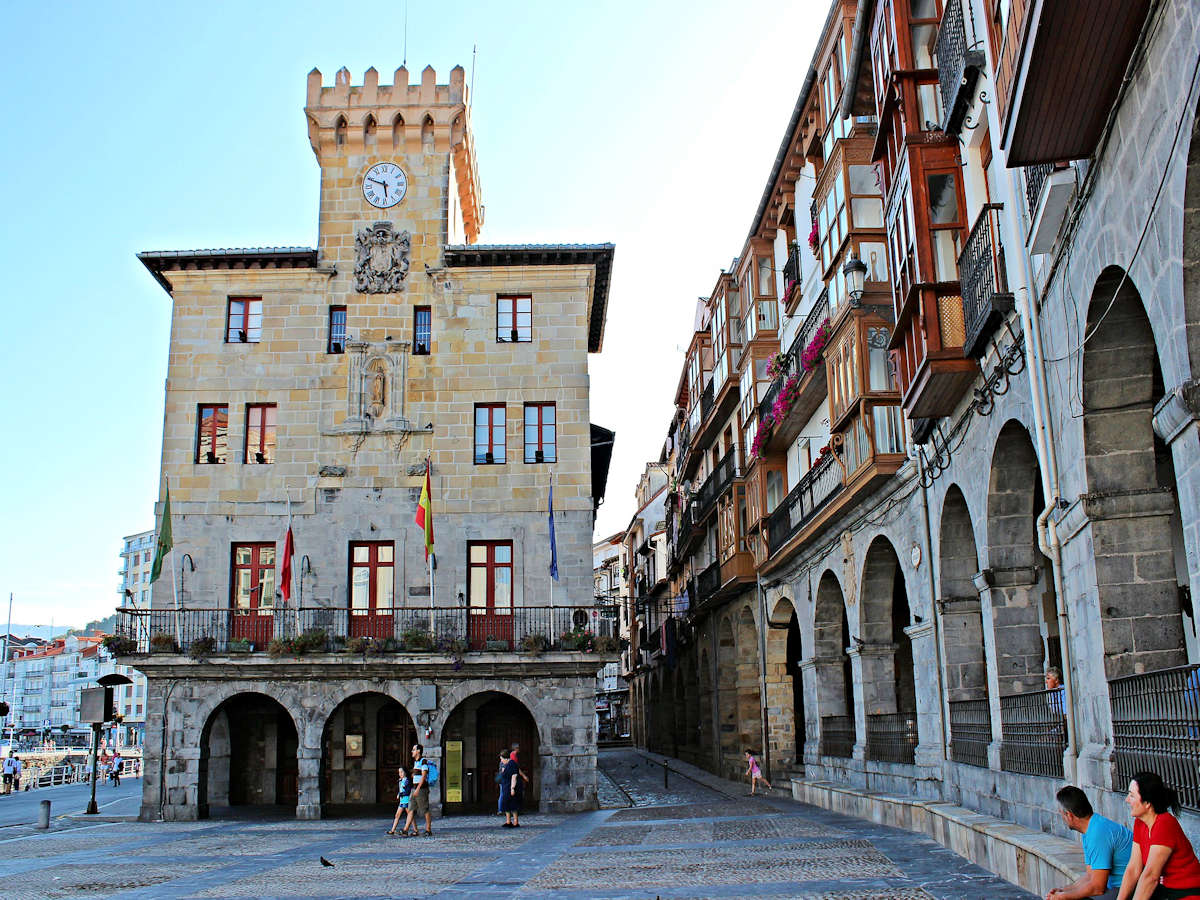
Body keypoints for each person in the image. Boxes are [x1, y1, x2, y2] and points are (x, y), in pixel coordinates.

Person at [1117, 771, 1200, 900]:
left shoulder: (1164, 824)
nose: (1127, 799)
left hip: (1187, 893)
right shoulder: (1140, 822)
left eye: (1132, 796)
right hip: (1165, 892)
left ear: (1147, 803)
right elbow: (1133, 869)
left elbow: (1150, 876)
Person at [1047, 785, 1132, 900]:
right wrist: (1064, 890)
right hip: (1114, 887)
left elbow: (1097, 887)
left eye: (1061, 814)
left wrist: (1064, 897)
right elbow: (1090, 876)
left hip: (1127, 889)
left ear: (1069, 815)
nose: (1062, 818)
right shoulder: (1090, 828)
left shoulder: (1098, 832)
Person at [402, 744, 433, 837]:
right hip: (414, 789)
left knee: (424, 809)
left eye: (413, 749)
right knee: (411, 809)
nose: (412, 751)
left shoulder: (423, 761)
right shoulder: (416, 762)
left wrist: (418, 789)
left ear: (418, 751)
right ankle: (405, 829)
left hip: (421, 789)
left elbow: (423, 776)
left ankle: (428, 829)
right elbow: (417, 775)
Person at [499, 749, 522, 828]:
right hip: (506, 786)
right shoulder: (507, 764)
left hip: (510, 787)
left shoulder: (512, 764)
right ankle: (508, 821)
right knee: (506, 804)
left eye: (502, 759)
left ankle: (516, 822)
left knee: (513, 804)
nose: (501, 761)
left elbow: (514, 776)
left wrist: (512, 788)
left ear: (506, 758)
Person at [387, 764, 412, 835]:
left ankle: (415, 830)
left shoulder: (407, 781)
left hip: (406, 800)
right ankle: (392, 830)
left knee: (410, 816)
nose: (400, 774)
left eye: (401, 772)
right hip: (402, 801)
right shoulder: (401, 780)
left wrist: (400, 794)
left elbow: (407, 791)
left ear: (405, 772)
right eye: (399, 772)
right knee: (397, 815)